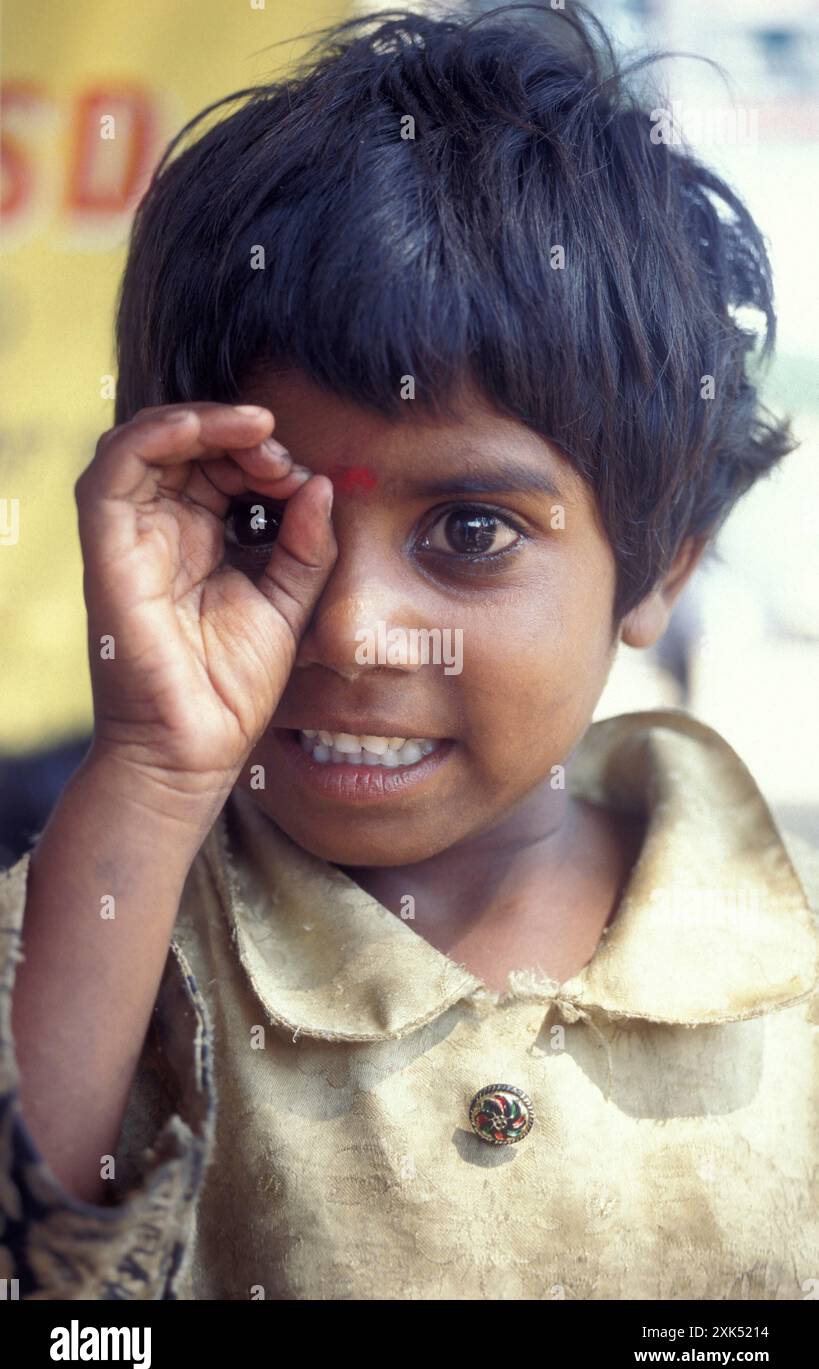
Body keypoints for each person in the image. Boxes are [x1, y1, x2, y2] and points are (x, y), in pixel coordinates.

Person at [2, 4, 816, 1301]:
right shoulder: (112, 940)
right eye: (258, 517)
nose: (350, 628)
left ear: (663, 562)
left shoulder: (793, 969)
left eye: (472, 530)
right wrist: (153, 768)